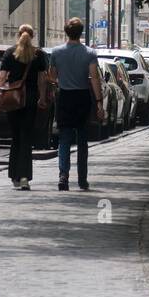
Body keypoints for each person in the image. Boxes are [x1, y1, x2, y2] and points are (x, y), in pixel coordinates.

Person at [47, 17, 105, 191]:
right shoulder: (89, 53)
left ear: (66, 32)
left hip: (65, 97)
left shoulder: (56, 52)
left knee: (64, 138)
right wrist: (99, 102)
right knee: (82, 139)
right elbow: (95, 78)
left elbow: (52, 77)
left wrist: (58, 82)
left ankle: (63, 175)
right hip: (82, 97)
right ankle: (82, 178)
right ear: (81, 32)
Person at [0, 24, 49, 191]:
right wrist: (42, 98)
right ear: (32, 36)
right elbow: (41, 80)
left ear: (18, 35)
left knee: (15, 137)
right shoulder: (38, 55)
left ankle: (15, 176)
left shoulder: (9, 53)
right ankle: (24, 177)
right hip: (30, 100)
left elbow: (1, 79)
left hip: (13, 100)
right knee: (26, 138)